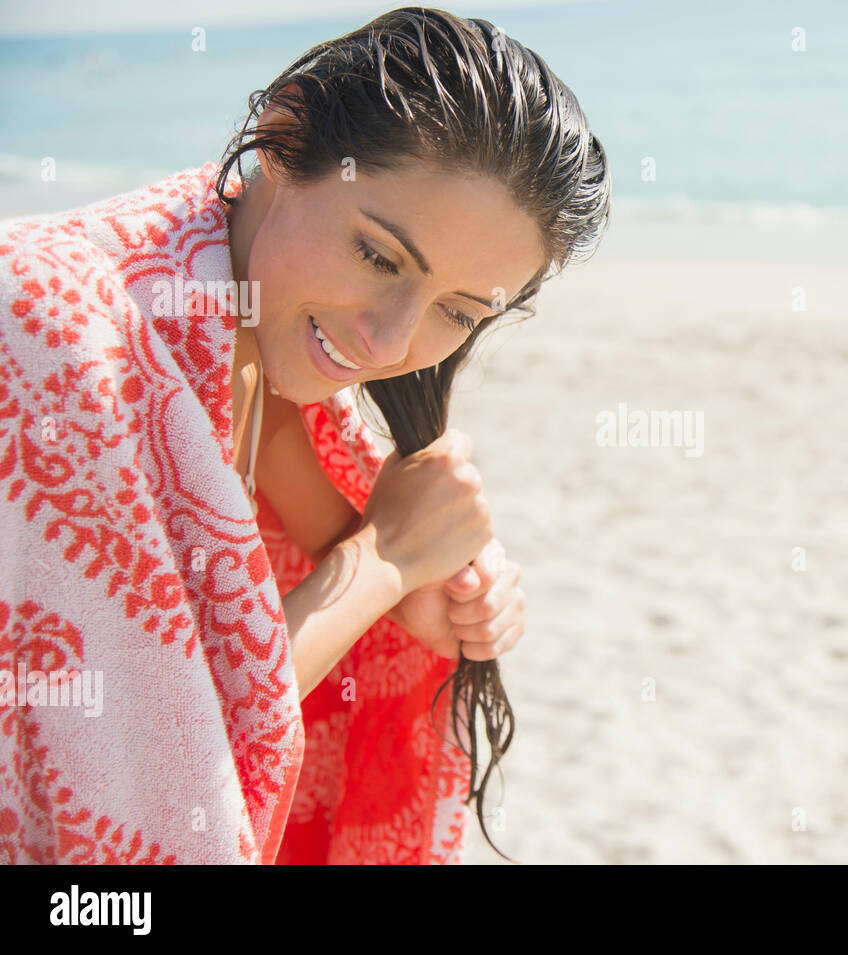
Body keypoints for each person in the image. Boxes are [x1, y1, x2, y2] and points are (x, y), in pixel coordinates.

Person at [0, 7, 611, 864]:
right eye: (378, 256)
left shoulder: (249, 354)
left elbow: (287, 601)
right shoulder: (50, 331)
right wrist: (390, 556)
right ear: (284, 136)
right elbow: (160, 778)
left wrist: (428, 594)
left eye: (459, 312)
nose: (391, 343)